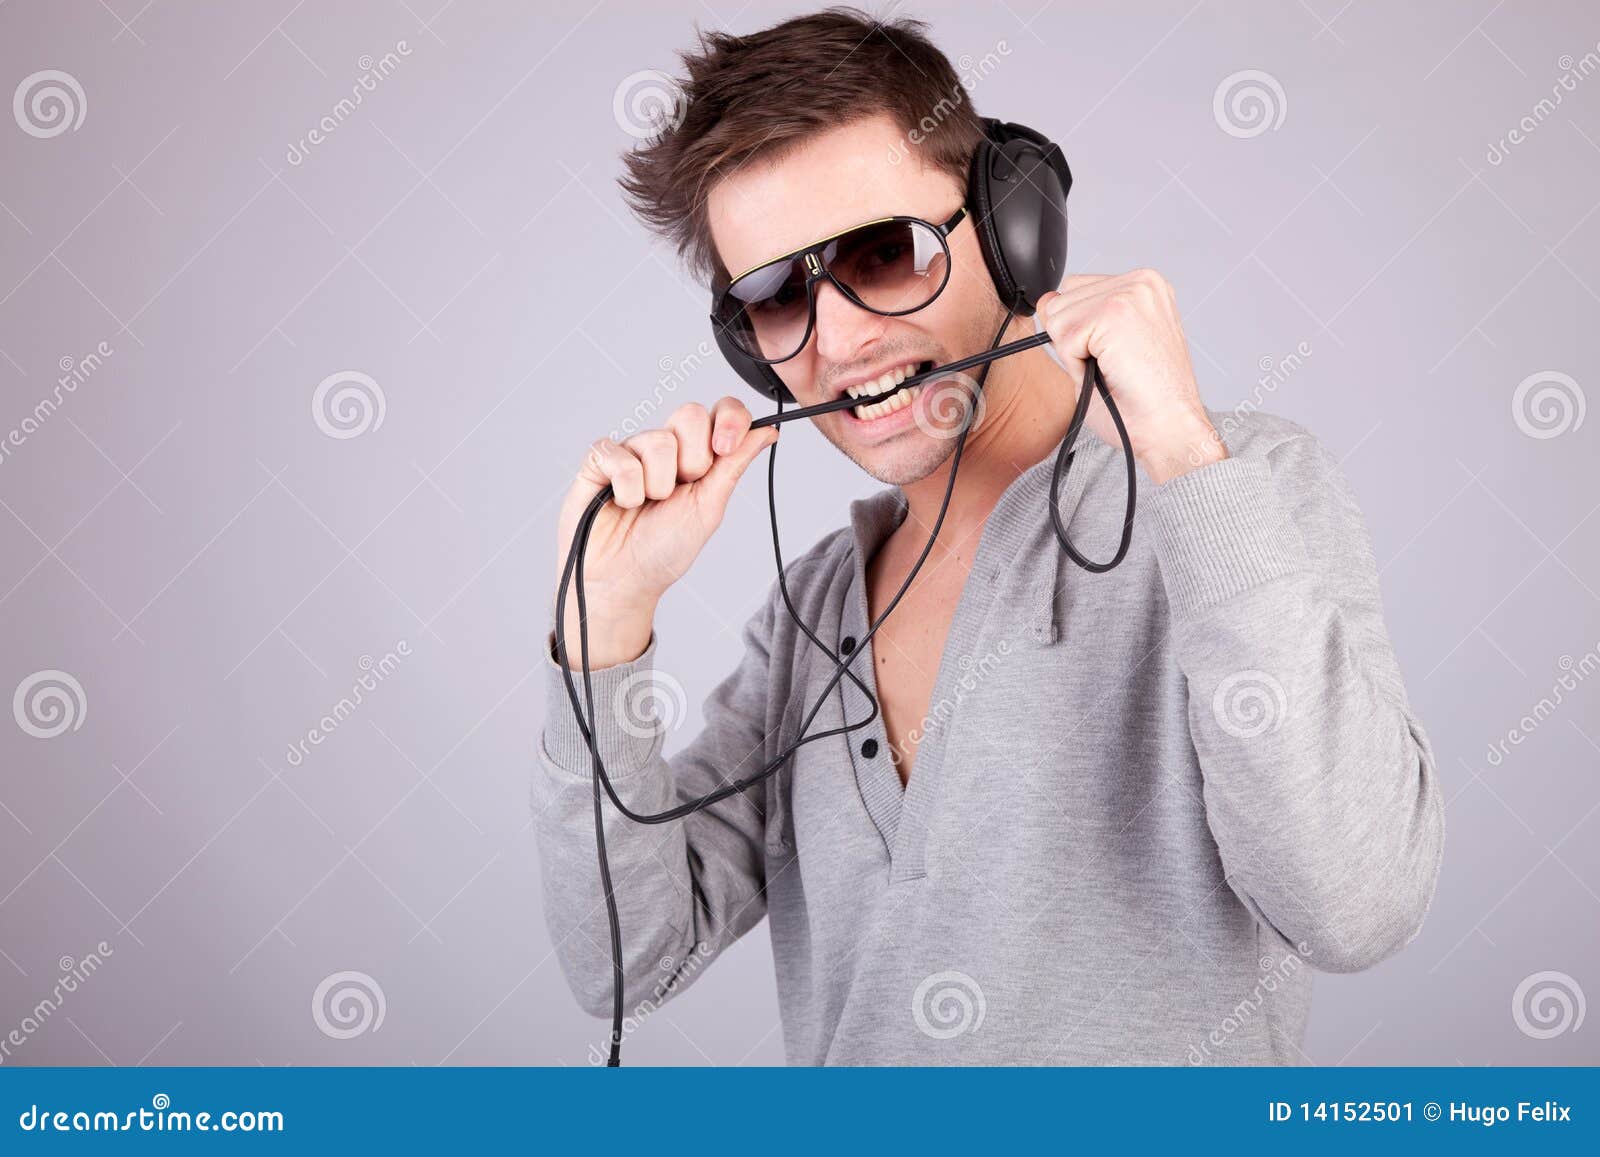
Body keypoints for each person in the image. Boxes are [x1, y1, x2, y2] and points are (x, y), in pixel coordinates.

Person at [533, 7, 1443, 1065]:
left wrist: (1186, 461)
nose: (837, 340)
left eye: (883, 253)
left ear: (1016, 226)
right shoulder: (810, 614)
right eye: (777, 297)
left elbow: (1356, 903)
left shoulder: (1235, 488)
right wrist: (603, 631)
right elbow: (627, 961)